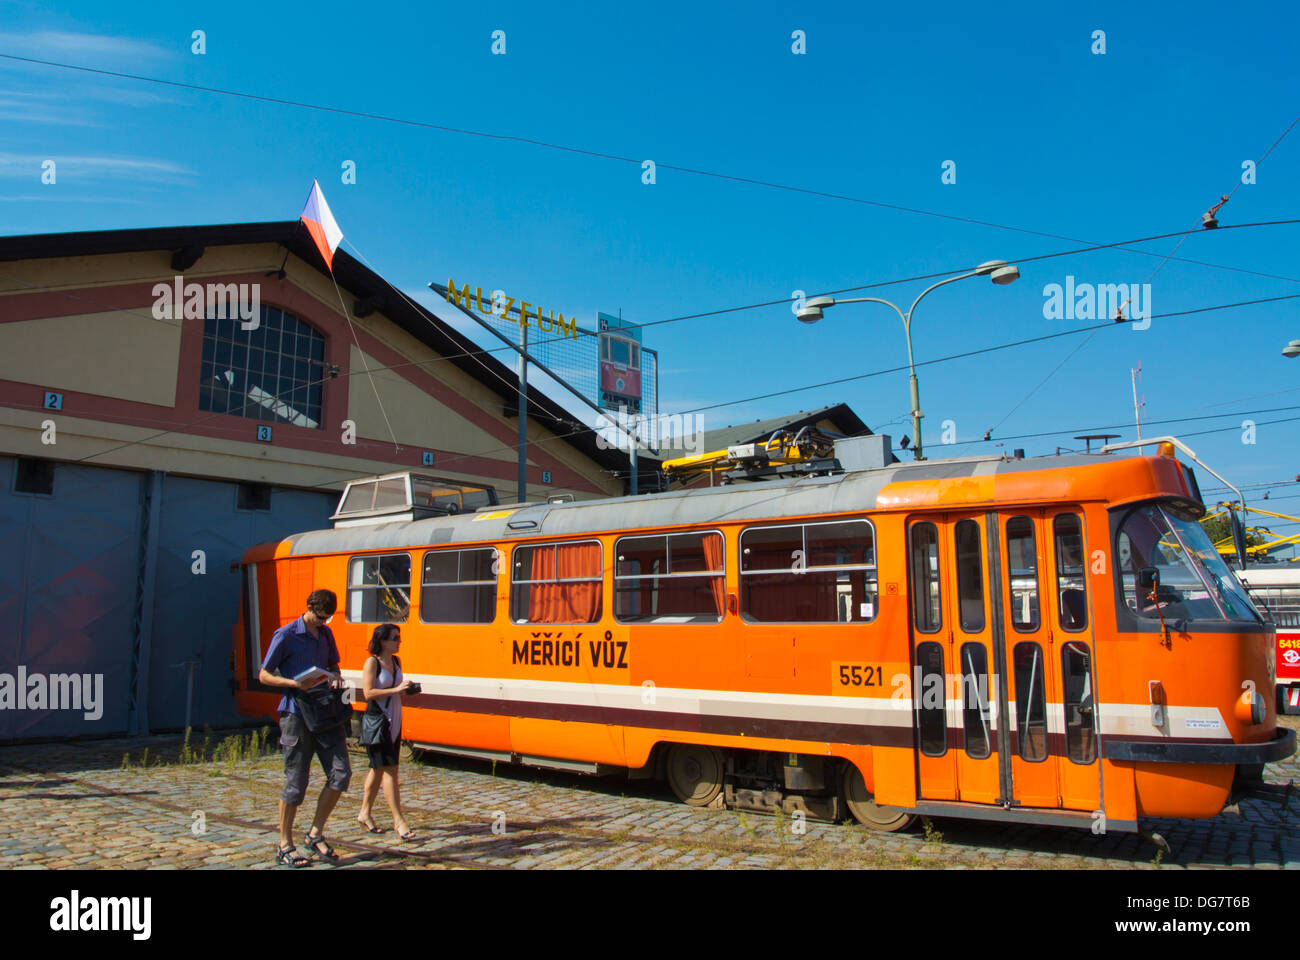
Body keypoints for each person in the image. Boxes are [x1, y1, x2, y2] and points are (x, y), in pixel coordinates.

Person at [259, 589, 352, 867]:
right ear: (309, 607)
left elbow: (334, 665)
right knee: (296, 782)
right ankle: (284, 844)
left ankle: (314, 833)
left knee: (341, 773)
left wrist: (334, 676)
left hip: (324, 712)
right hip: (296, 714)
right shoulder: (286, 635)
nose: (322, 622)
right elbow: (264, 674)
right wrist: (293, 683)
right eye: (319, 617)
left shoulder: (325, 634)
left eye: (327, 618)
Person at [356, 623, 416, 839]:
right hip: (378, 722)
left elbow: (396, 689)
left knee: (378, 768)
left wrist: (406, 689)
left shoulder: (396, 661)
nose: (399, 641)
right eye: (394, 638)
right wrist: (395, 689)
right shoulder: (372, 662)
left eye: (399, 637)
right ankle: (399, 821)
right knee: (390, 769)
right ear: (382, 641)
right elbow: (368, 693)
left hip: (395, 720)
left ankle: (364, 813)